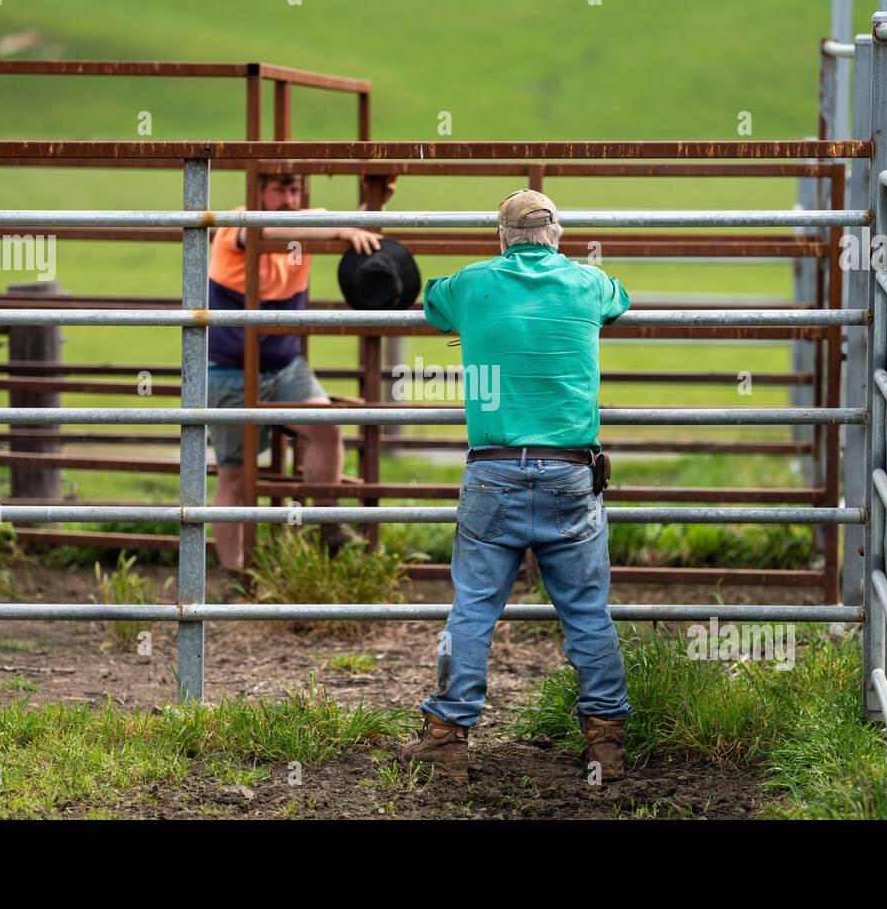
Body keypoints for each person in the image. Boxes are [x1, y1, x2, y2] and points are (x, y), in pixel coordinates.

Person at [399, 189, 633, 782]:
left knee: (474, 607)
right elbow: (620, 299)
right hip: (571, 470)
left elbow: (432, 303)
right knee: (586, 609)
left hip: (493, 469)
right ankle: (605, 740)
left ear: (501, 238)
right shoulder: (588, 283)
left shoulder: (472, 284)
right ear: (558, 236)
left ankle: (448, 734)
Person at [206, 172, 393, 572]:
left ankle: (327, 523)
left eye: (295, 190)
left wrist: (375, 202)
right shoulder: (234, 223)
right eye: (279, 189)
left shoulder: (308, 223)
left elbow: (350, 228)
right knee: (235, 477)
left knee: (326, 428)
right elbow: (271, 230)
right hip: (230, 371)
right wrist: (339, 227)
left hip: (285, 365)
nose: (290, 199)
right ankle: (236, 571)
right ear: (257, 191)